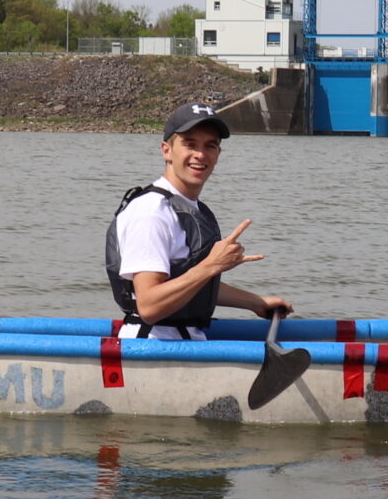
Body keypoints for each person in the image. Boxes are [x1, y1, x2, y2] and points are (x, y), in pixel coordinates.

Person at [106, 102, 292, 339]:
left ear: (218, 154)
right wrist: (212, 265)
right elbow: (149, 306)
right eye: (189, 144)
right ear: (166, 150)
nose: (200, 155)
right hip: (152, 348)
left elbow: (191, 284)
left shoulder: (191, 207)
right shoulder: (152, 212)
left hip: (183, 343)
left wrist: (255, 302)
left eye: (210, 146)